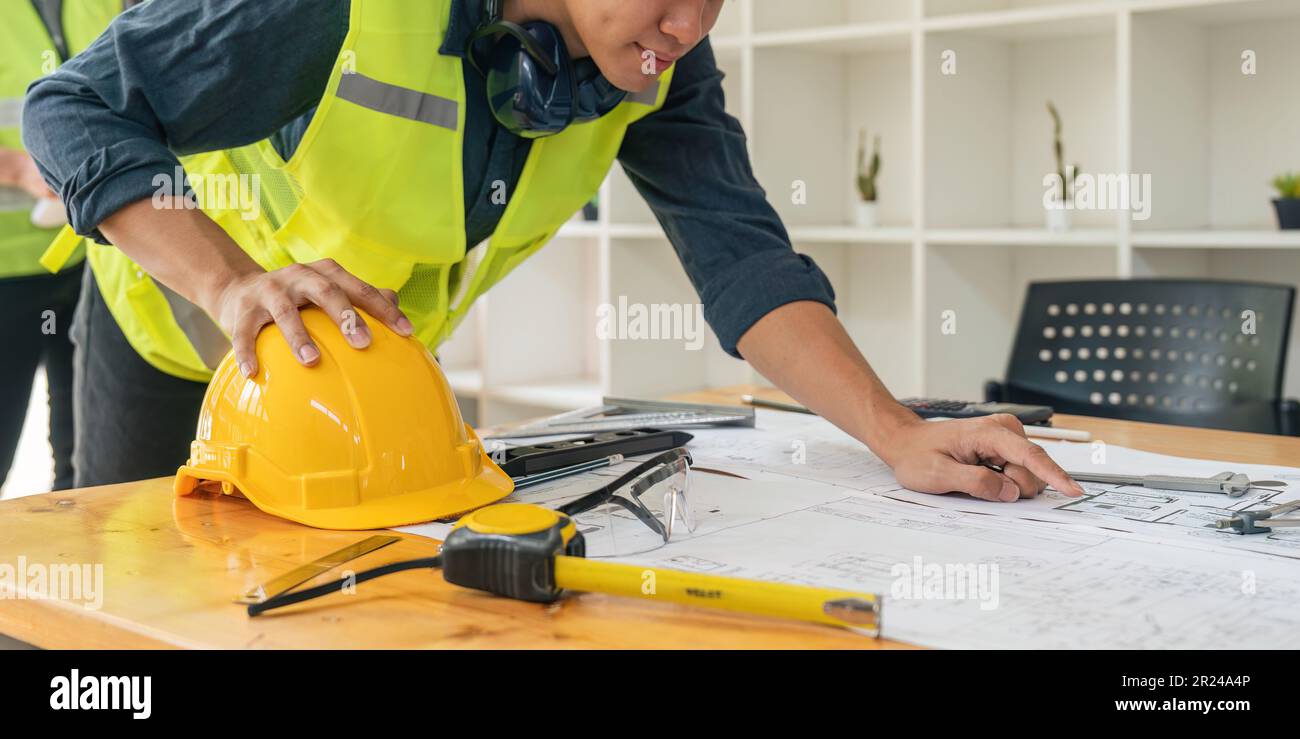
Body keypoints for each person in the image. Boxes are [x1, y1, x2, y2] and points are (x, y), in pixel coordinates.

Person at [23, 0, 1086, 502]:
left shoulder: (655, 66)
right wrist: (230, 278)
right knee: (139, 635)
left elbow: (743, 261)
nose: (688, 22)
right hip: (171, 337)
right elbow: (69, 110)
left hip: (362, 380)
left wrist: (896, 432)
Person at [0, 0, 123, 491]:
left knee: (84, 468)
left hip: (91, 261)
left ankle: (74, 567)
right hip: (8, 272)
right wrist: (21, 170)